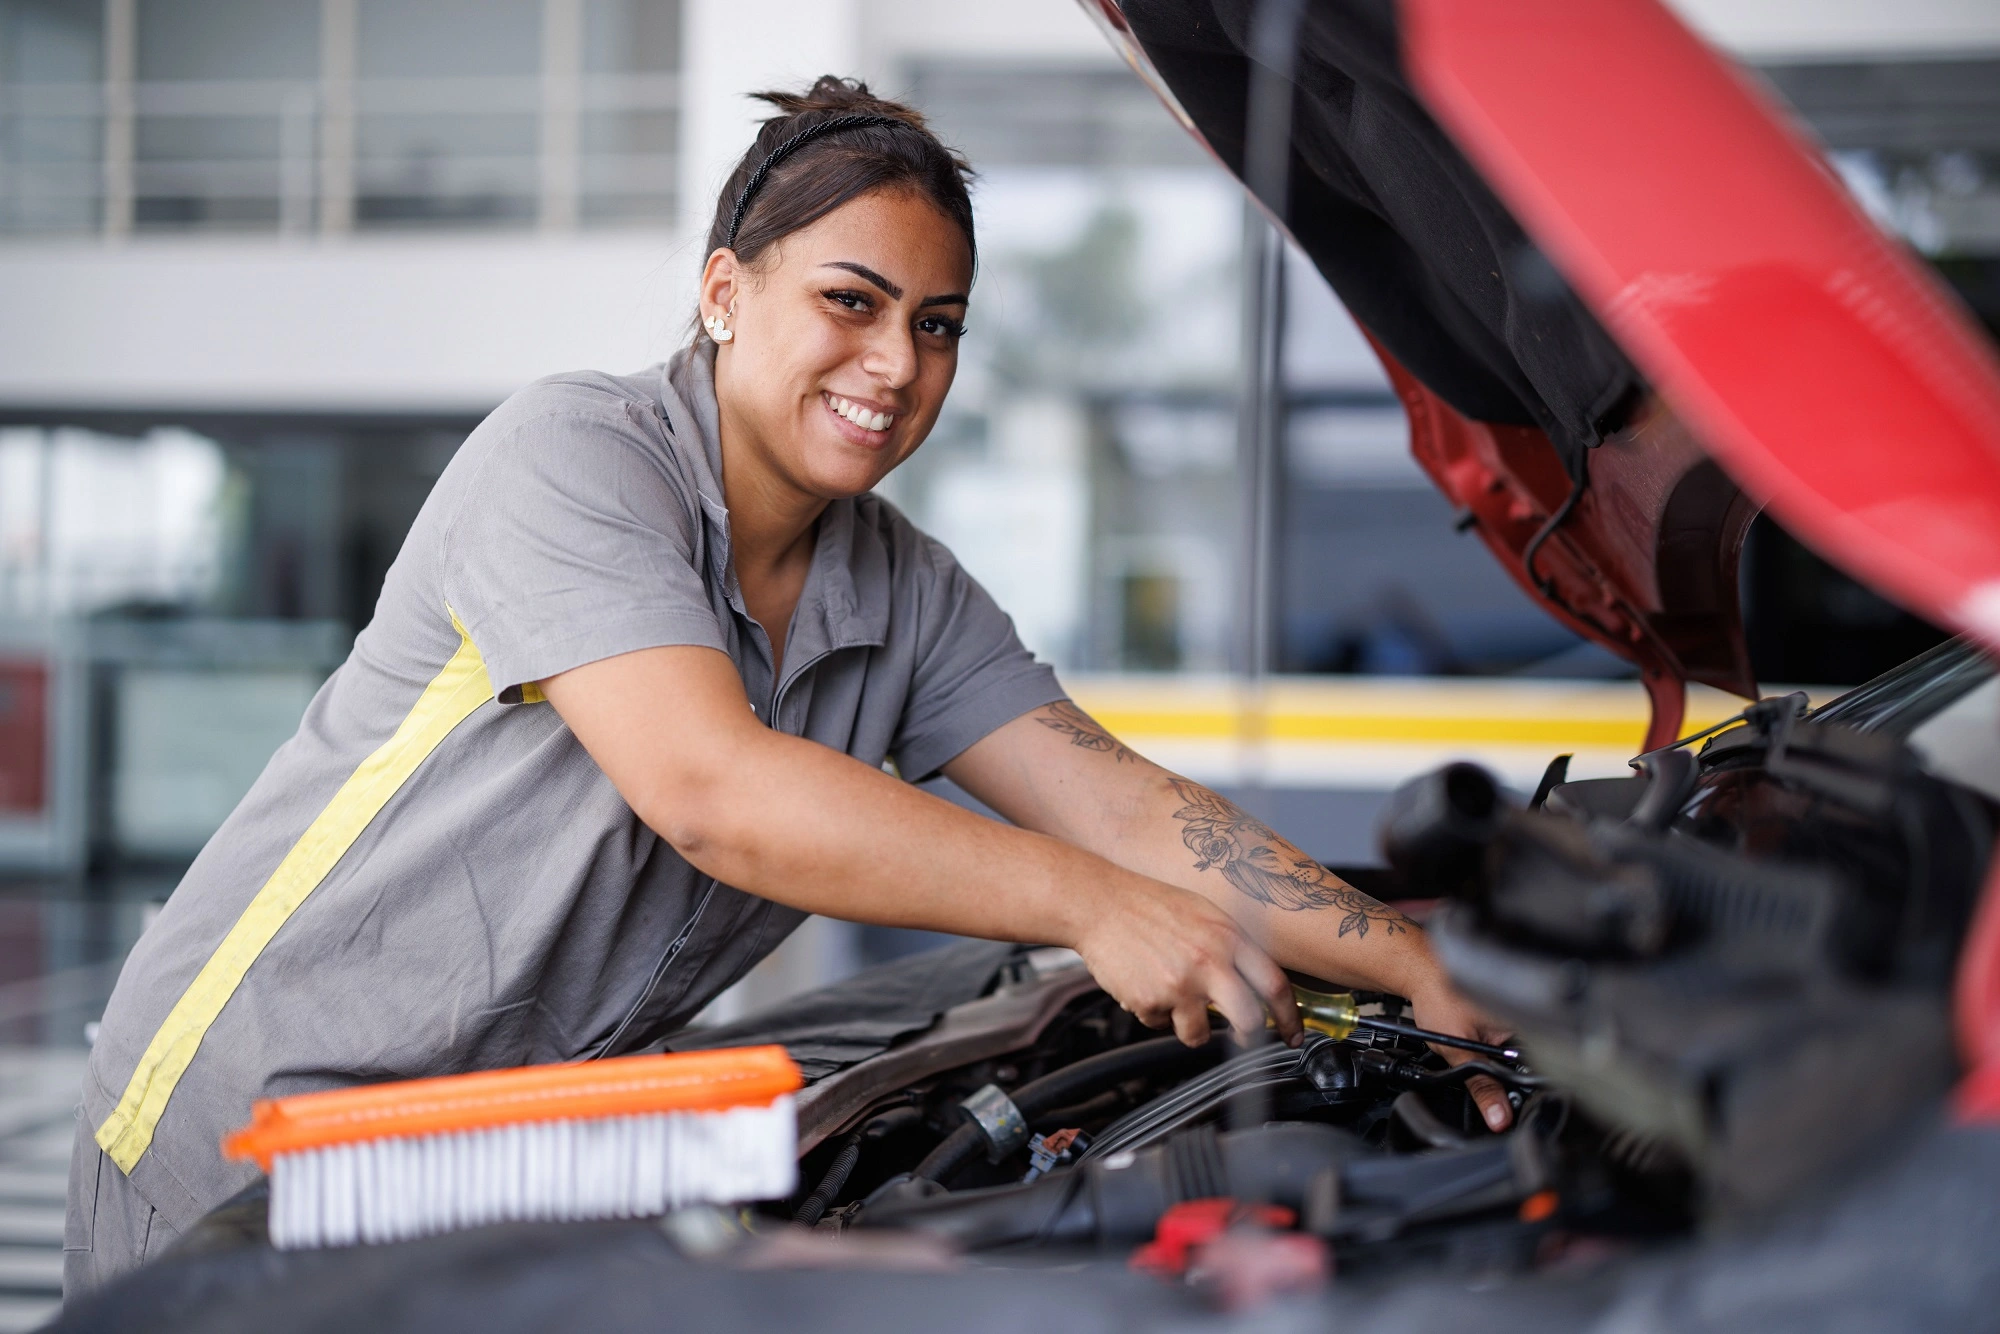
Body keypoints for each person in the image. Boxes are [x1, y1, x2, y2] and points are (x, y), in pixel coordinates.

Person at [64, 77, 1508, 1298]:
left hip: (499, 1144)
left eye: (937, 324)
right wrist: (1086, 905)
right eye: (851, 301)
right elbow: (716, 793)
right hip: (243, 1128)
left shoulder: (900, 587)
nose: (896, 363)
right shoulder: (573, 457)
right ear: (722, 291)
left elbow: (1121, 805)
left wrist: (1408, 960)